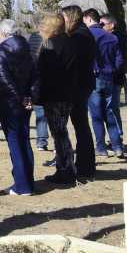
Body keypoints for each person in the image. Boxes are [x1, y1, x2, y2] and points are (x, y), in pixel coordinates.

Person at [0, 19, 37, 196]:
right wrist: (29, 97)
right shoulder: (28, 51)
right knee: (24, 140)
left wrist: (20, 98)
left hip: (9, 103)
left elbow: (3, 79)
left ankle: (22, 186)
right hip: (24, 101)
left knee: (15, 142)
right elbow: (36, 76)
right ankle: (27, 182)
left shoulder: (1, 53)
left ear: (3, 33)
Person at [35, 12, 78, 186]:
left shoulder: (49, 45)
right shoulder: (70, 42)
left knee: (59, 134)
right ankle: (66, 167)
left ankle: (65, 169)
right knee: (61, 132)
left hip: (54, 96)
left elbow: (43, 74)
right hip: (68, 95)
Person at [62, 4, 98, 180]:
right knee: (81, 125)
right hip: (82, 85)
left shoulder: (79, 36)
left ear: (71, 17)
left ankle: (85, 166)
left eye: (64, 18)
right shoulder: (84, 34)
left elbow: (72, 64)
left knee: (81, 126)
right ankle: (85, 165)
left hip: (78, 86)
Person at [85, 10, 125, 157]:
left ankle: (101, 147)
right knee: (110, 112)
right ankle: (117, 146)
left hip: (94, 78)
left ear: (89, 19)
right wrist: (112, 70)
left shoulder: (87, 36)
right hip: (109, 78)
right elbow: (119, 59)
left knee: (96, 115)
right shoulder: (112, 38)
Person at [26, 25, 50, 154]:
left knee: (40, 113)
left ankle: (41, 141)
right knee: (53, 114)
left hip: (36, 83)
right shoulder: (51, 41)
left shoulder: (32, 40)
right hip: (49, 82)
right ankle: (54, 141)